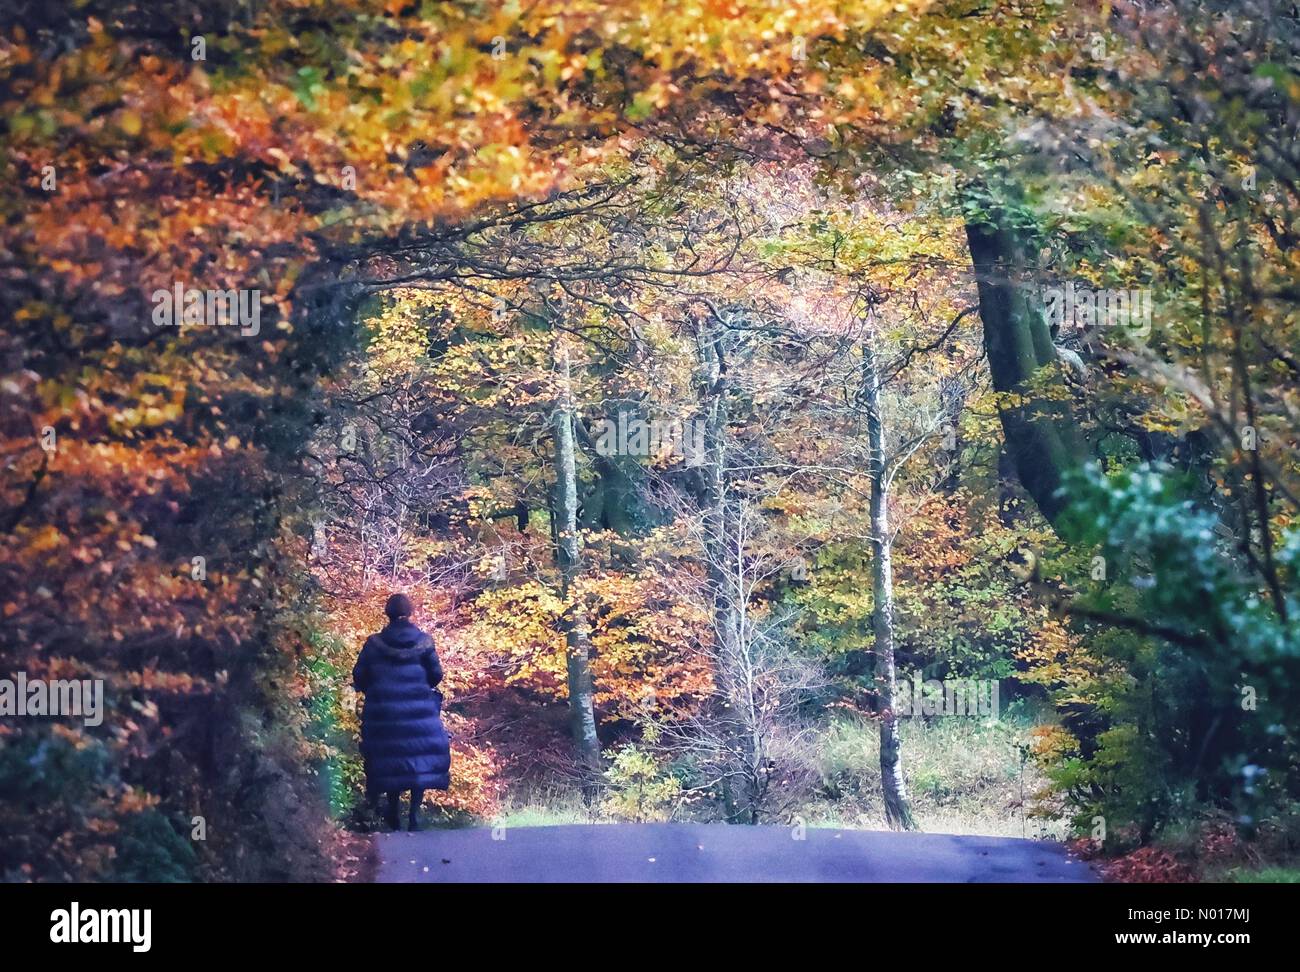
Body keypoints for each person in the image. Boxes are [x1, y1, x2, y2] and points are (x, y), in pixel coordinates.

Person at [352, 593, 450, 831]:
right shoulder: (425, 642)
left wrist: (376, 691)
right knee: (419, 758)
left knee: (391, 759)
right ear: (411, 612)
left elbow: (359, 676)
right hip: (419, 712)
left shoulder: (374, 644)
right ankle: (414, 814)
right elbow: (436, 675)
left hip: (384, 713)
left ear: (387, 613)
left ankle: (393, 812)